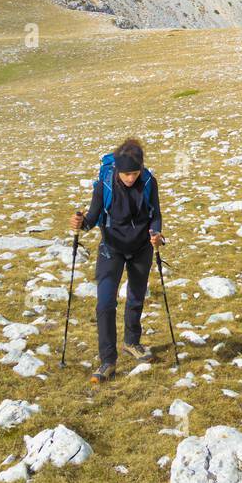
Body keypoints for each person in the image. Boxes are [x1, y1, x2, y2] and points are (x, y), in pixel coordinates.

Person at [69, 137, 164, 382]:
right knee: (105, 304)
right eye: (125, 174)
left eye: (134, 173)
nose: (130, 178)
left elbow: (155, 215)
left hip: (142, 247)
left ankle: (132, 343)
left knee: (135, 296)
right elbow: (93, 217)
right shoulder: (105, 184)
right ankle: (107, 361)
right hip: (111, 248)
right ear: (118, 171)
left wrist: (157, 234)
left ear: (141, 169)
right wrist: (82, 224)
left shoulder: (149, 182)